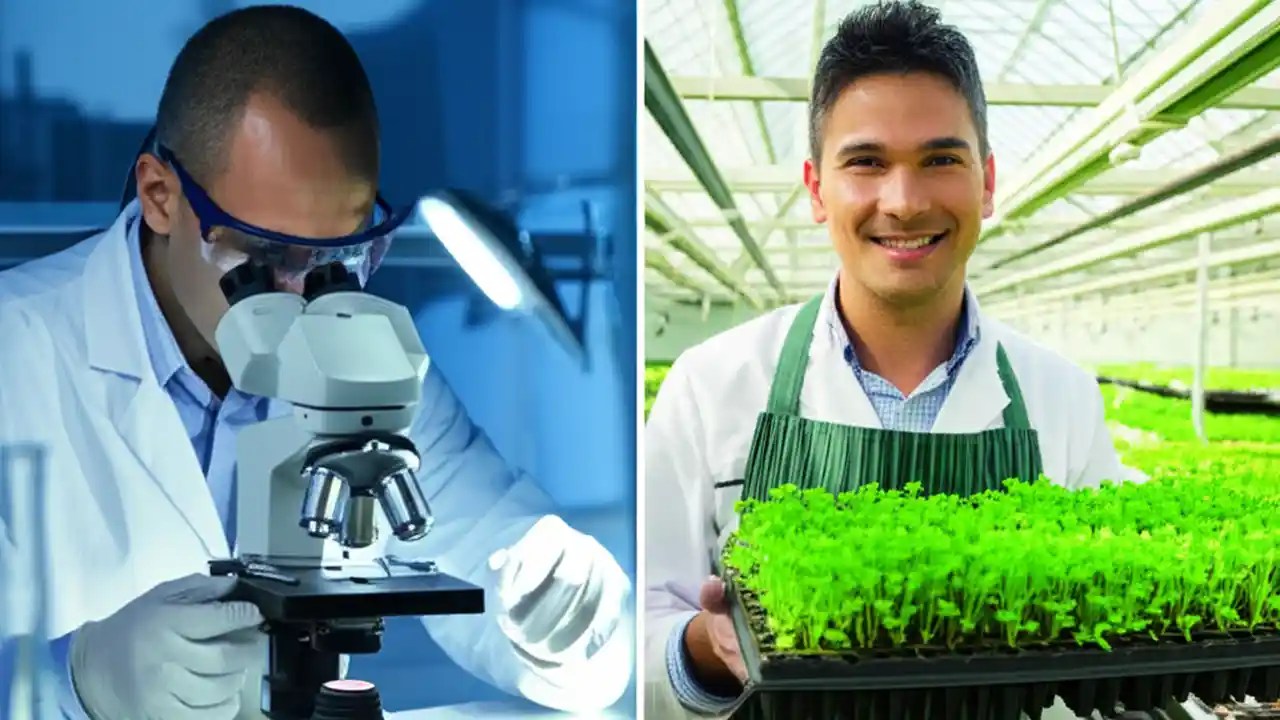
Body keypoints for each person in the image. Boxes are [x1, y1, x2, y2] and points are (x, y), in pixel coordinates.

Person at [0, 6, 630, 719]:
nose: (304, 301)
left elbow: (580, 657)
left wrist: (576, 613)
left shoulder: (370, 362)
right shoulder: (16, 356)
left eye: (337, 258)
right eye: (264, 259)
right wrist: (72, 681)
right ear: (160, 197)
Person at [643, 2, 1140, 718]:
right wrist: (703, 649)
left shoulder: (1062, 396)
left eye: (941, 160)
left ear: (987, 183)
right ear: (817, 188)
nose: (903, 202)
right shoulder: (711, 384)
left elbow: (1102, 642)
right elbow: (639, 626)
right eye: (866, 163)